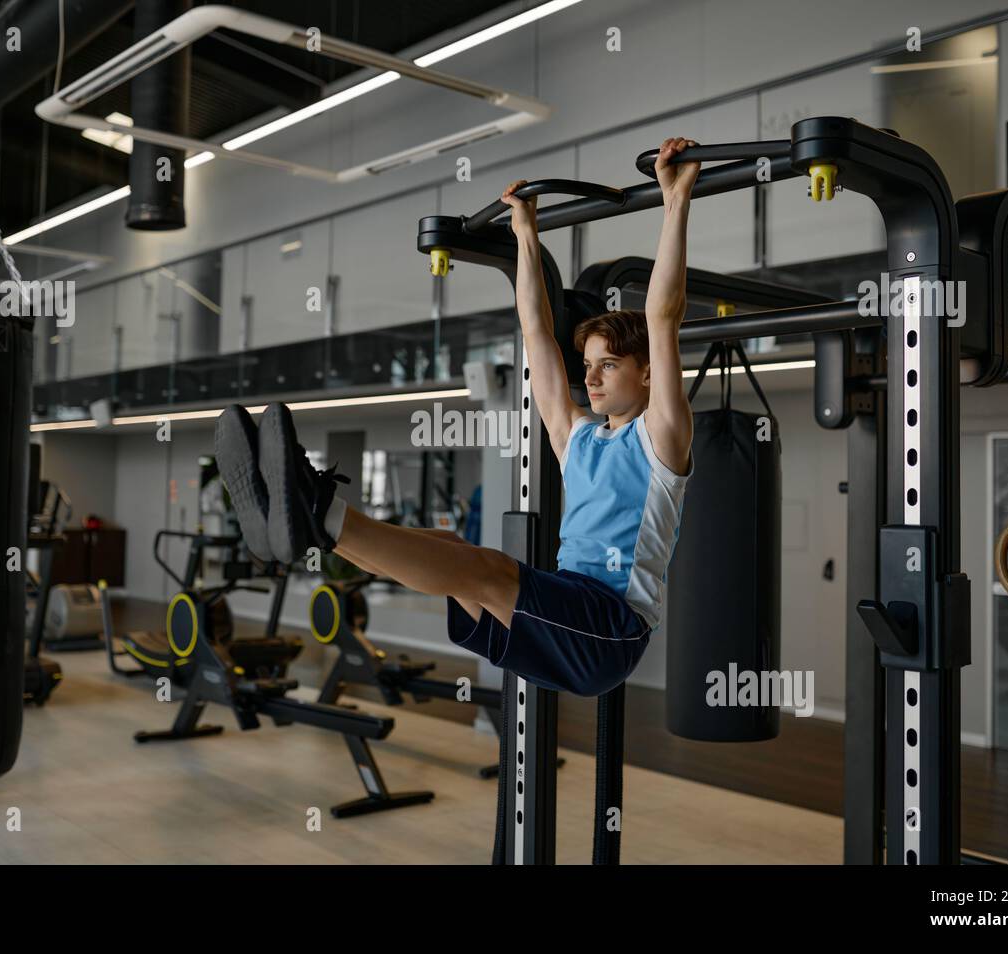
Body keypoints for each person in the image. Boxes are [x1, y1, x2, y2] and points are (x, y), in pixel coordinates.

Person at [215, 138, 698, 697]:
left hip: (611, 628)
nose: (588, 378)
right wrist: (525, 237)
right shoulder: (578, 438)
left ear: (646, 375)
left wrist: (676, 200)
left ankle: (315, 508)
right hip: (570, 607)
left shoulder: (661, 438)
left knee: (488, 568)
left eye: (607, 365)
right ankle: (311, 523)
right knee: (451, 549)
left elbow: (663, 317)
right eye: (587, 365)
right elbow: (537, 334)